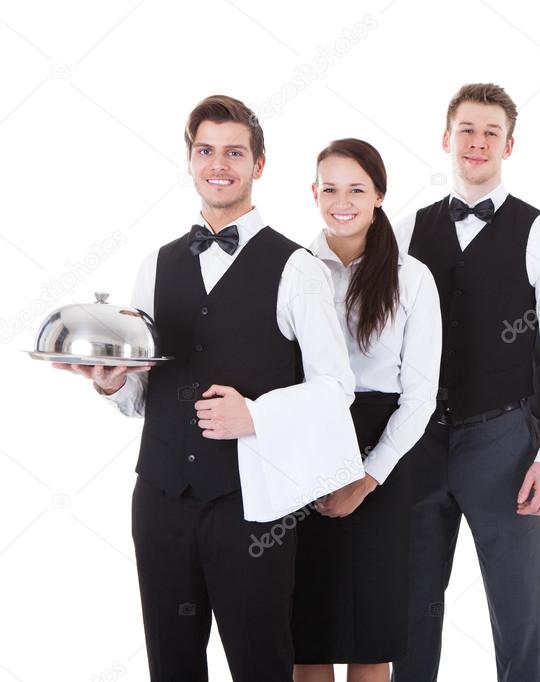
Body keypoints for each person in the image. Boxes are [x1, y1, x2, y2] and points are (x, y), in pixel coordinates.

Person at [54, 95, 363, 681]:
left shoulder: (297, 268)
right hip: (161, 498)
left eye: (234, 152)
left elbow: (336, 387)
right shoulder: (155, 264)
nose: (219, 164)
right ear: (190, 160)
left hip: (254, 505)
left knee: (261, 663)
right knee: (171, 664)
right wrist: (112, 384)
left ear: (259, 165)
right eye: (205, 151)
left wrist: (258, 416)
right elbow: (138, 391)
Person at [390, 83, 540, 682]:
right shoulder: (404, 229)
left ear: (509, 144)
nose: (477, 143)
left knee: (517, 606)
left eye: (491, 133)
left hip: (502, 441)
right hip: (418, 443)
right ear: (446, 138)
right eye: (467, 131)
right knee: (412, 605)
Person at [292, 139, 442, 682]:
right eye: (329, 188)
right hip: (305, 447)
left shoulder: (413, 278)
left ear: (379, 195)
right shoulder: (295, 269)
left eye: (357, 188)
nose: (342, 201)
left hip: (383, 452)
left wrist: (368, 477)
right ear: (313, 194)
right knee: (306, 630)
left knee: (369, 633)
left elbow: (420, 395)